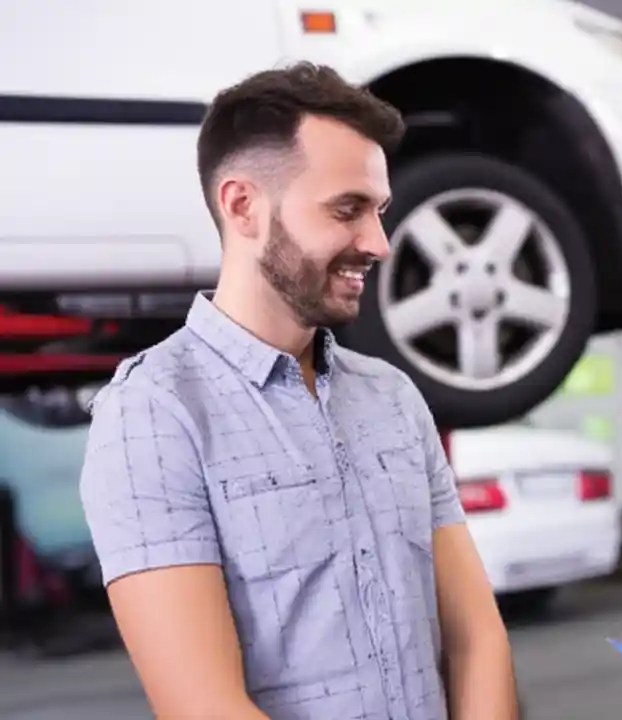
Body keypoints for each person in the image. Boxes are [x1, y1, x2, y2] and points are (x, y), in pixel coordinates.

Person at [78, 62, 519, 720]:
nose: (379, 242)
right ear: (242, 206)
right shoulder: (153, 414)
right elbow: (203, 707)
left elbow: (476, 639)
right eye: (348, 210)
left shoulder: (391, 398)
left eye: (379, 211)